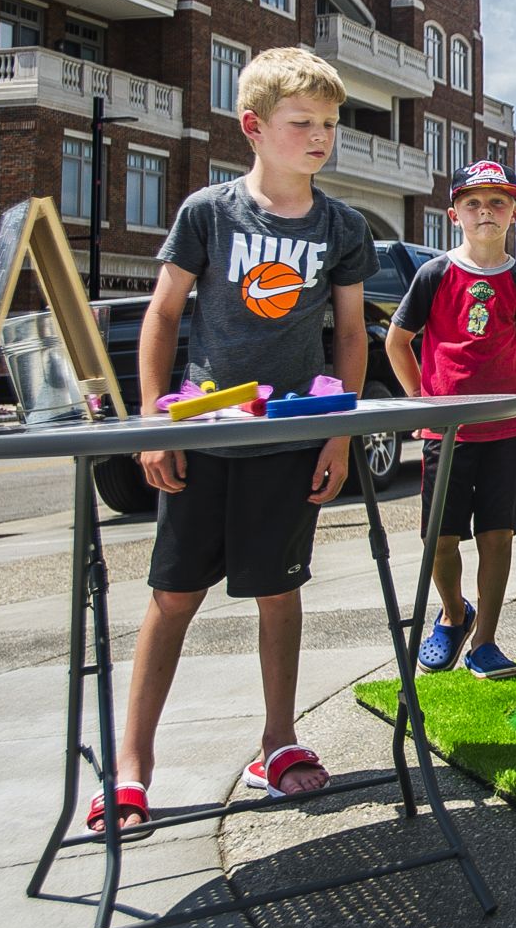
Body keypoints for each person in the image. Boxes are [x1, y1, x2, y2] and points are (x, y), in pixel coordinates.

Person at [95, 48, 377, 830]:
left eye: (329, 124)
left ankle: (278, 742)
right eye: (302, 124)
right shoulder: (208, 213)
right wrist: (157, 420)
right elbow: (161, 315)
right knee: (173, 595)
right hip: (205, 436)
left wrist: (339, 435)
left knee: (280, 591)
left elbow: (349, 333)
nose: (320, 137)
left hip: (290, 442)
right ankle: (132, 766)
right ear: (254, 127)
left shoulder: (341, 225)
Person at [386, 159, 516, 679]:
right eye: (473, 203)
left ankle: (485, 640)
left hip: (504, 430)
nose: (486, 212)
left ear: (514, 213)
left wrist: (496, 397)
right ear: (454, 212)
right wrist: (421, 398)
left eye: (498, 203)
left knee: (497, 533)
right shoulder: (435, 274)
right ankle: (454, 614)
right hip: (446, 432)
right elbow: (397, 341)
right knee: (441, 537)